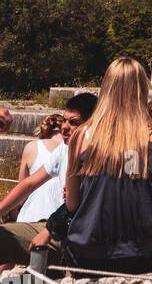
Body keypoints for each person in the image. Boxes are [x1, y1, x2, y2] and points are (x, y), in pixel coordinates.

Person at [63, 57, 152, 274]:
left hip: (90, 247)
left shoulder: (83, 135)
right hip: (141, 250)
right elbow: (149, 190)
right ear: (142, 89)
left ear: (106, 88)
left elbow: (72, 204)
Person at [0, 92, 97, 268]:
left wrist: (48, 231)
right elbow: (29, 184)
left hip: (72, 235)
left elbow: (78, 206)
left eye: (73, 122)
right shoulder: (63, 149)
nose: (65, 127)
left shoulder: (95, 155)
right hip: (54, 226)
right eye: (64, 120)